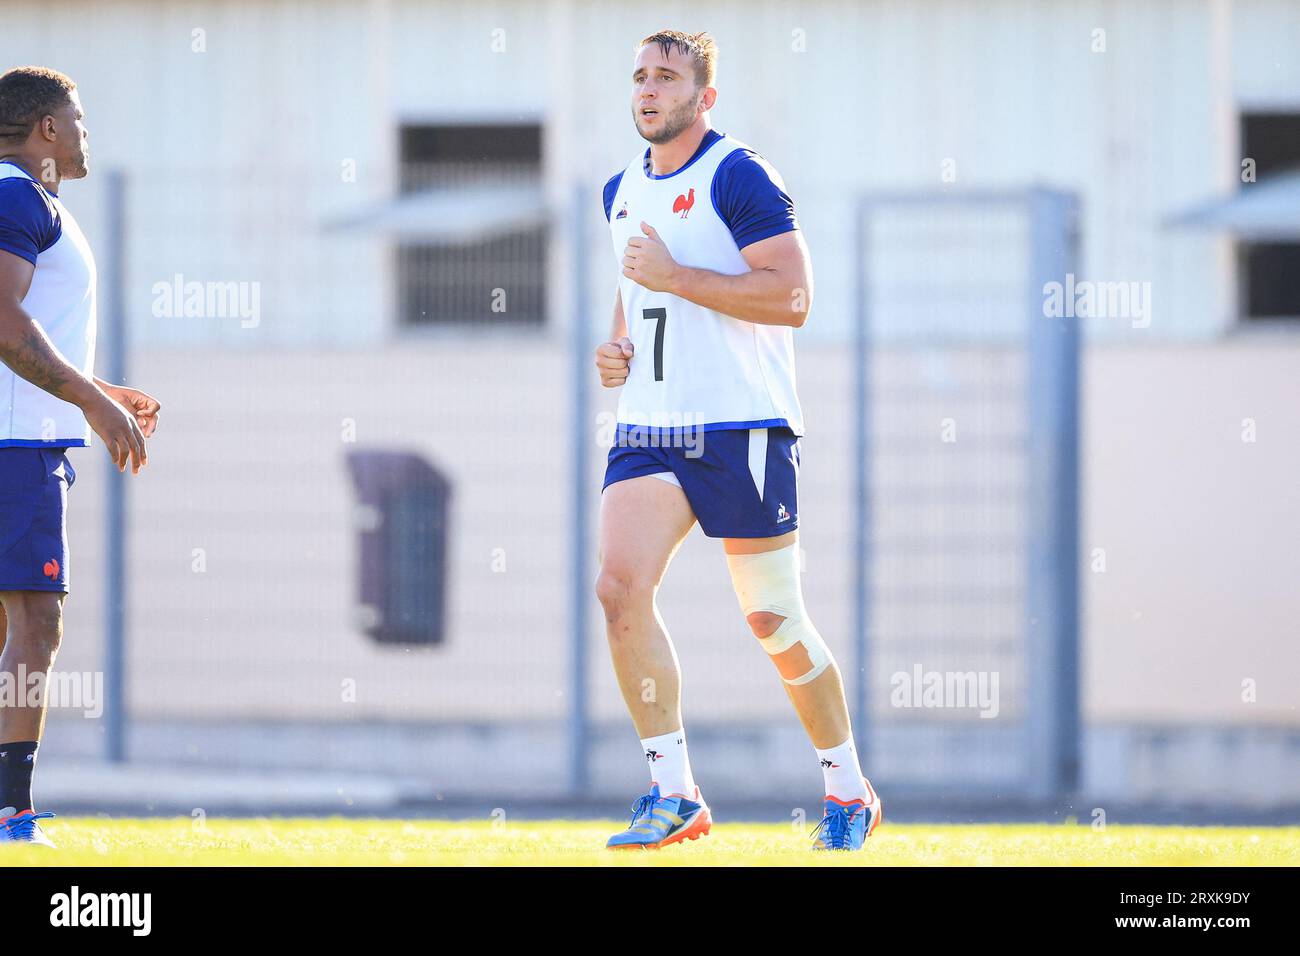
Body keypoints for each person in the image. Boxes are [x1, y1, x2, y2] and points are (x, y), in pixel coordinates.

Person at [595, 31, 881, 851]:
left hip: (741, 425)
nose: (648, 90)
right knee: (618, 588)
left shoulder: (738, 174)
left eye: (667, 77)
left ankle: (847, 788)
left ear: (704, 97)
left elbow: (791, 297)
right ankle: (673, 791)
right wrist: (618, 346)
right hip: (650, 427)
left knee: (772, 618)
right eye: (640, 76)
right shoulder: (618, 188)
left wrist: (674, 278)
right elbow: (635, 286)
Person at [0, 66, 160, 847]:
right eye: (79, 116)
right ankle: (10, 810)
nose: (87, 129)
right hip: (15, 449)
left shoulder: (27, 199)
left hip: (23, 438)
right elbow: (2, 322)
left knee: (24, 621)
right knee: (36, 621)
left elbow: (28, 329)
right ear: (48, 130)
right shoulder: (17, 196)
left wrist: (99, 387)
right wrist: (89, 403)